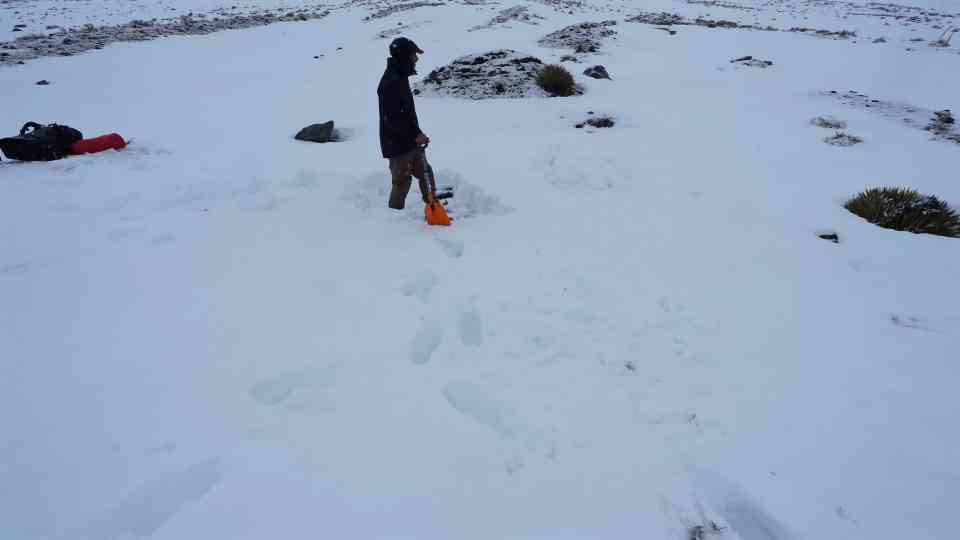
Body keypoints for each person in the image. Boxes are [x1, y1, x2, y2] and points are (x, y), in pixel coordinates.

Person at [377, 37, 432, 210]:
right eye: (413, 55)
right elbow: (393, 119)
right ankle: (394, 221)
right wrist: (416, 135)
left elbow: (405, 114)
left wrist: (417, 133)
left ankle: (433, 207)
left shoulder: (400, 77)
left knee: (425, 174)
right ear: (403, 56)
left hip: (410, 140)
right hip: (397, 144)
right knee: (402, 183)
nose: (416, 59)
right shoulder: (390, 82)